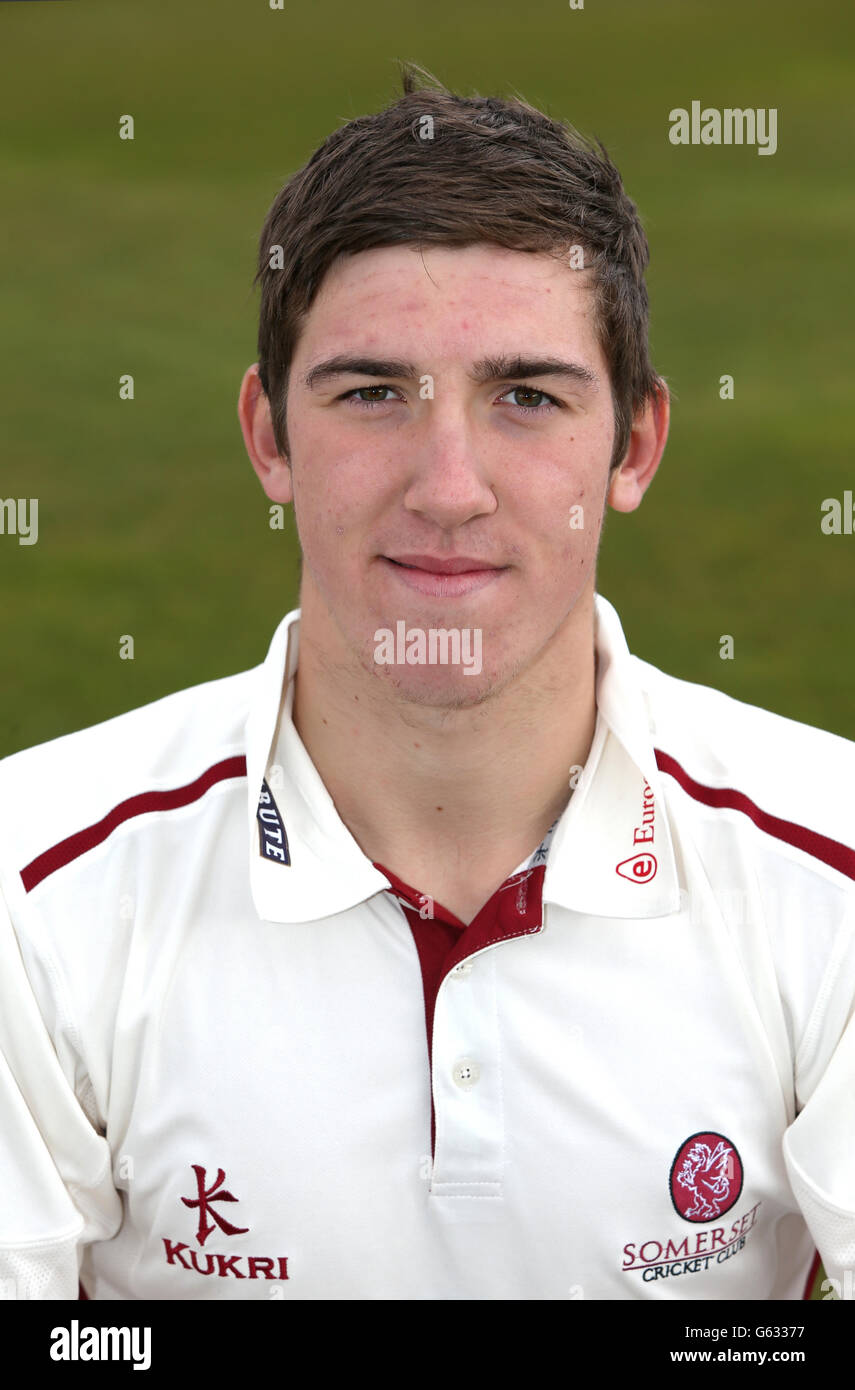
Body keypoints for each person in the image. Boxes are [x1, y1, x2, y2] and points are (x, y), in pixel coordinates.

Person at [0, 63, 852, 1302]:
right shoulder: (30, 886)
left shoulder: (828, 866)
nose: (449, 487)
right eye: (373, 393)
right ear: (268, 437)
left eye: (526, 396)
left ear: (636, 445)